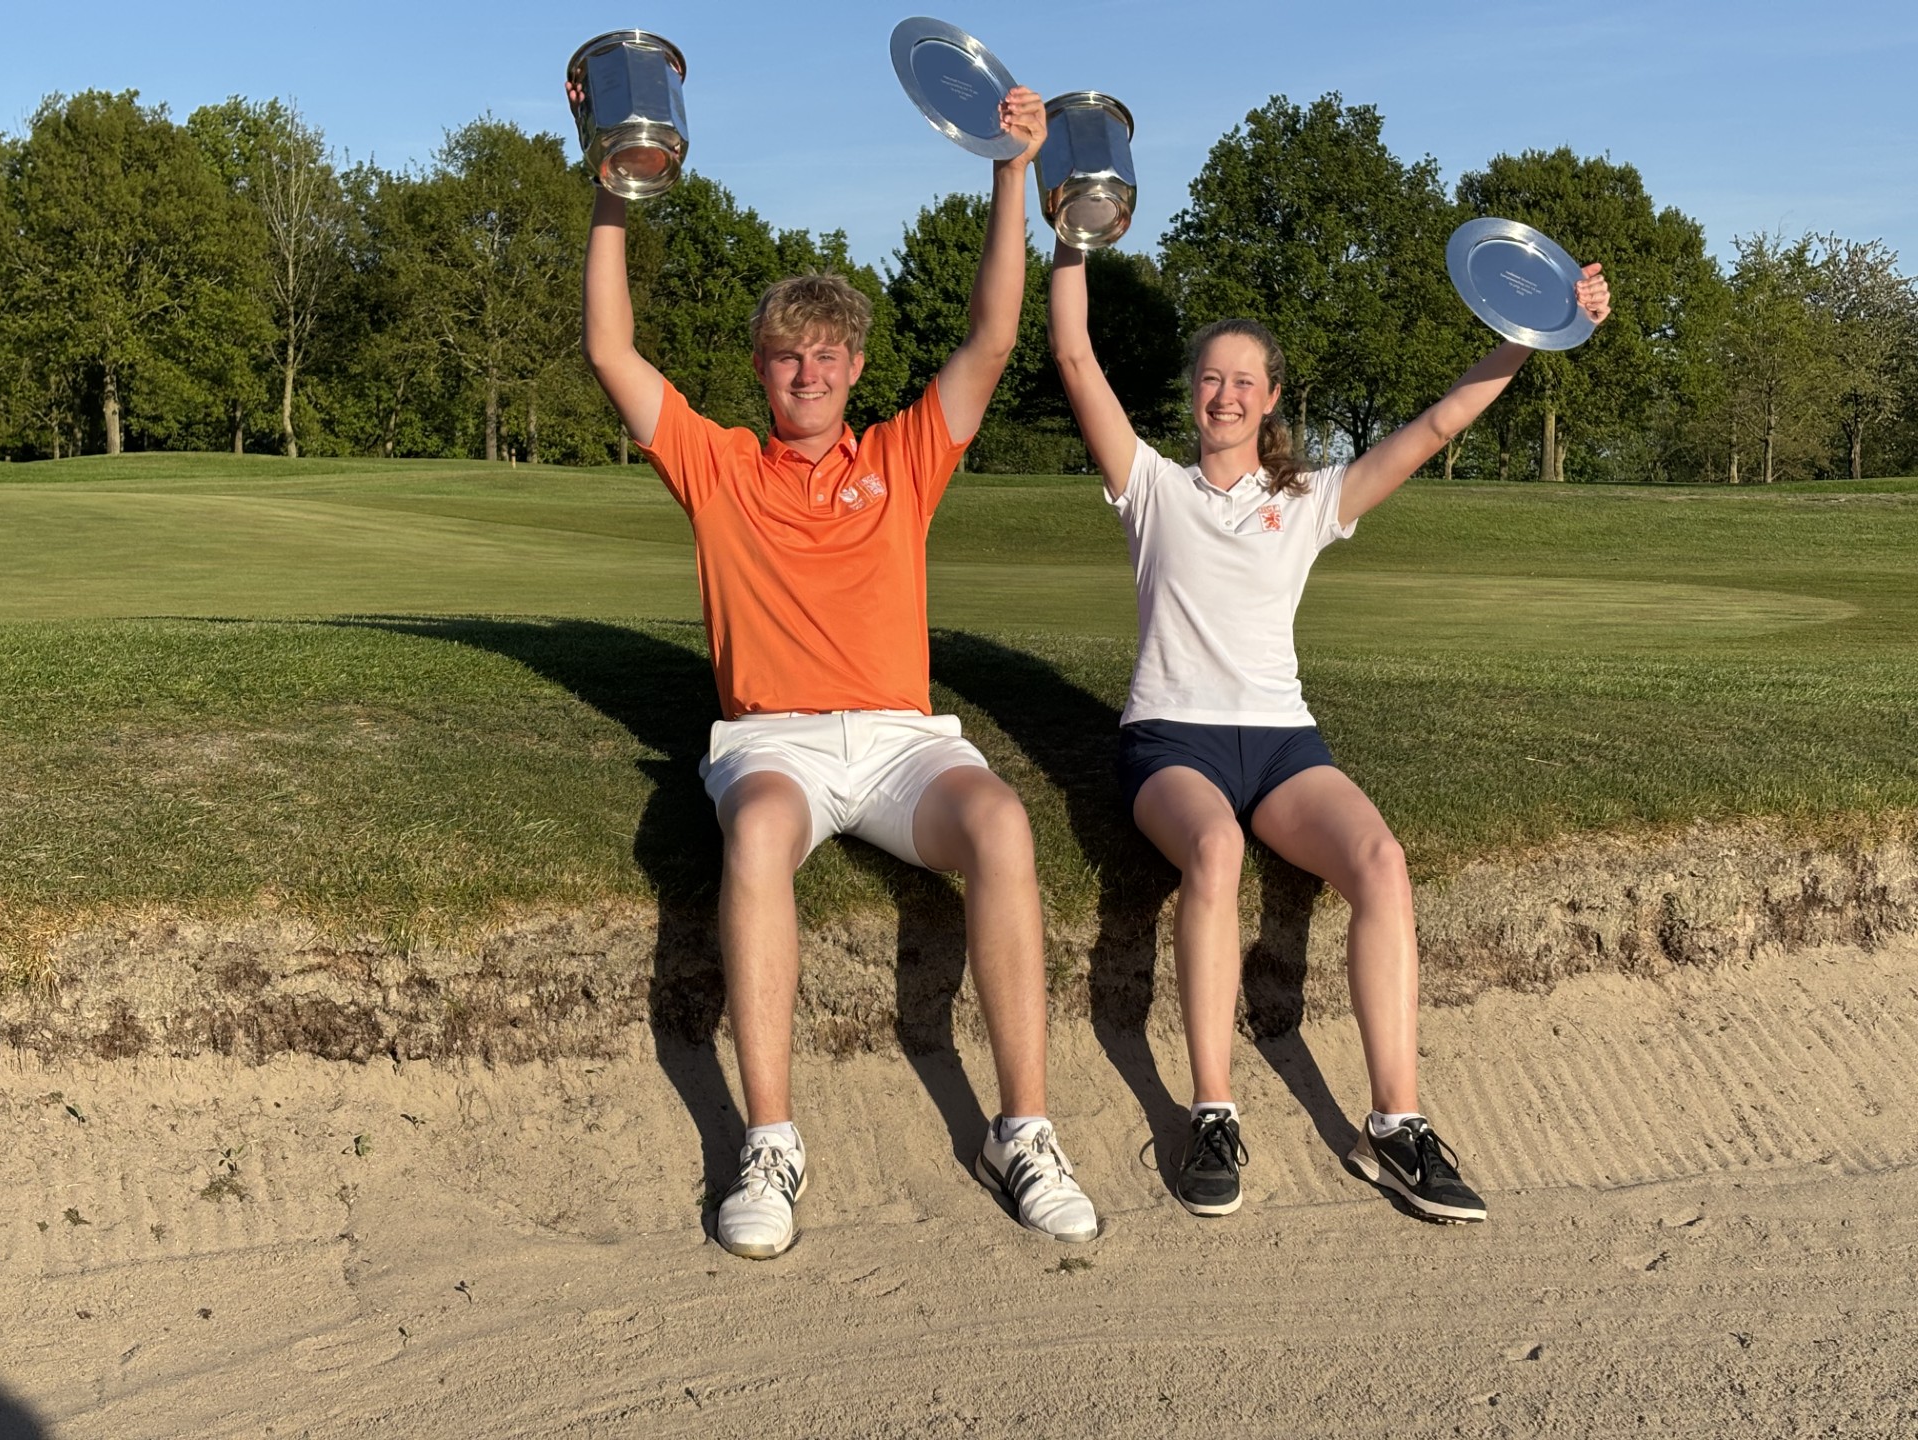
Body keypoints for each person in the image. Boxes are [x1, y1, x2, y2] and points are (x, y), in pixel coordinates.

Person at [579, 85, 1098, 1259]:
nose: (807, 374)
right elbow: (610, 349)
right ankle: (770, 1144)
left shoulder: (904, 458)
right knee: (760, 833)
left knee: (1004, 824)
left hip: (905, 742)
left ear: (856, 365)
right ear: (761, 369)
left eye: (825, 355)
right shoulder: (718, 466)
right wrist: (611, 188)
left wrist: (1012, 171)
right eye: (786, 357)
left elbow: (994, 339)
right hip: (777, 745)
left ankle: (1023, 1130)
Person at [1047, 238, 1610, 1222]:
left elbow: (1439, 423)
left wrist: (1536, 329)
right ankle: (1212, 1113)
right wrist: (1071, 244)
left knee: (1381, 862)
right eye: (1211, 379)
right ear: (1193, 393)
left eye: (1245, 382)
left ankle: (1394, 1126)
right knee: (1215, 850)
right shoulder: (1150, 485)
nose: (1225, 396)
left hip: (1281, 745)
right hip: (1171, 741)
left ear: (1270, 400)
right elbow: (1074, 356)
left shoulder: (1309, 502)